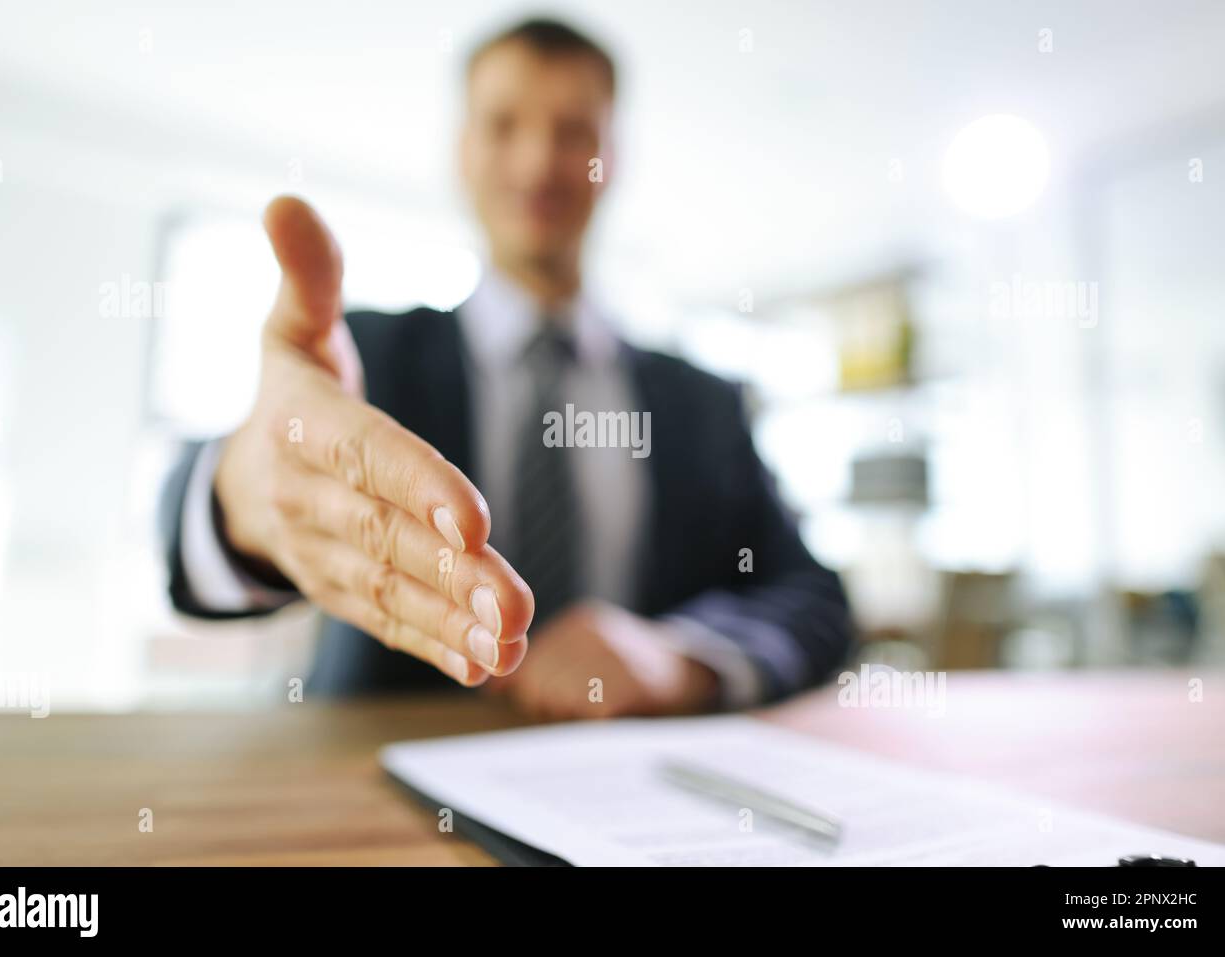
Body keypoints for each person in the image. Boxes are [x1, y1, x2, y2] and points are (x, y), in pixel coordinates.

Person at [162, 17, 852, 720]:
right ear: (462, 150)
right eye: (502, 125)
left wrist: (680, 656)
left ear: (611, 157)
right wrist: (242, 496)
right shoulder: (362, 359)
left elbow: (814, 598)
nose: (537, 162)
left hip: (637, 789)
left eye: (574, 131)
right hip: (373, 792)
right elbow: (190, 514)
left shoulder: (703, 403)